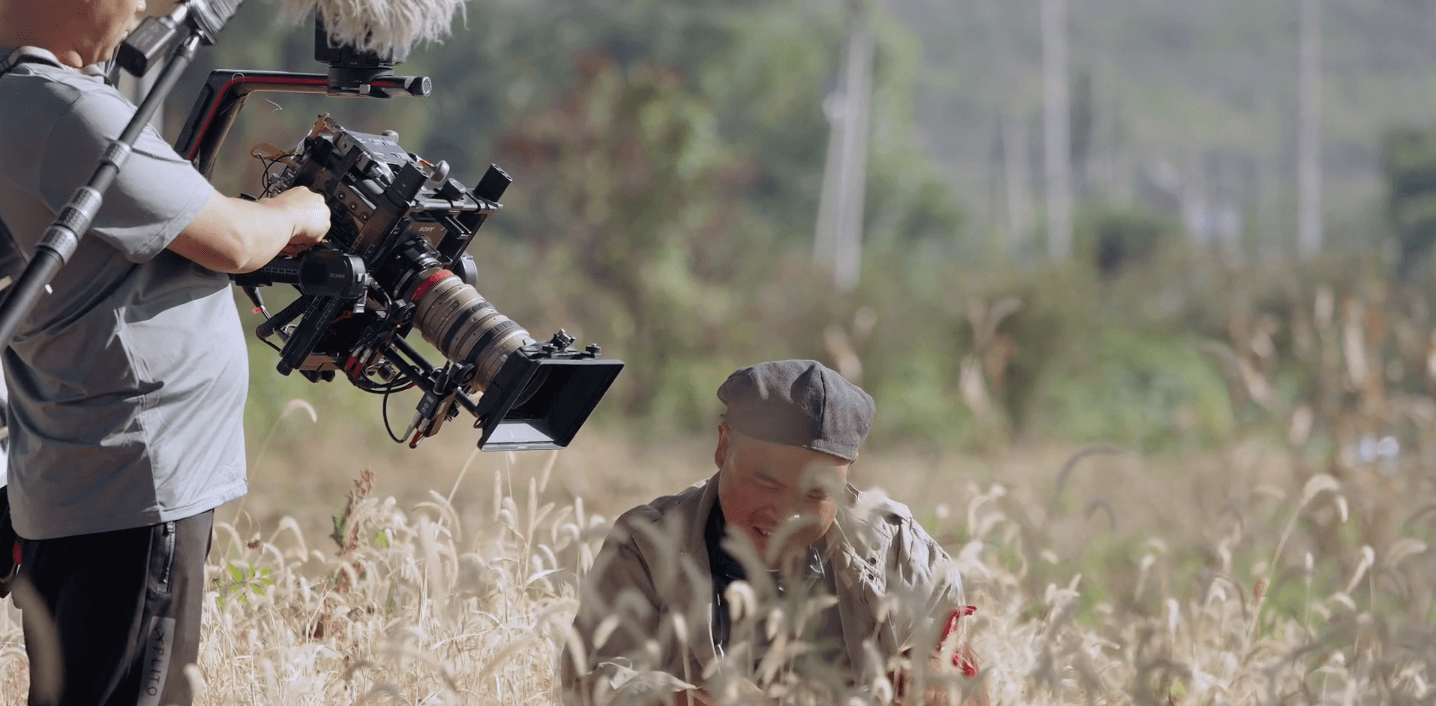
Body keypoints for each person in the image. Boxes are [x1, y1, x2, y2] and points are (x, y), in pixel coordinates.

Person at [0, 1, 332, 703]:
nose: (142, 7)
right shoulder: (65, 112)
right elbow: (235, 240)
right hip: (131, 483)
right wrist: (301, 210)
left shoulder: (24, 98)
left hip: (73, 479)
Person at [561, 360, 970, 705]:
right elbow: (591, 683)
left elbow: (958, 665)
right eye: (767, 483)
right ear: (724, 446)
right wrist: (694, 697)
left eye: (815, 493)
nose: (786, 515)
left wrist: (937, 677)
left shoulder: (894, 546)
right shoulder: (649, 548)